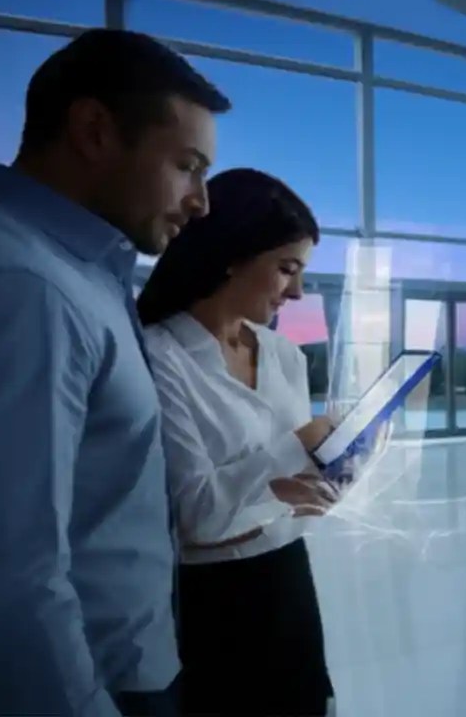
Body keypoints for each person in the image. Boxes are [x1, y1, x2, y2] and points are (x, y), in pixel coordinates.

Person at [0, 29, 230, 716]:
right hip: (92, 685)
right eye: (187, 166)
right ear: (94, 131)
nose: (201, 201)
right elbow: (9, 574)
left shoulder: (81, 271)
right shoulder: (26, 284)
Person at [137, 167, 339, 716]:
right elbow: (196, 517)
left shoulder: (284, 356)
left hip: (290, 575)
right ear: (233, 255)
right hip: (213, 601)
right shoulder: (160, 357)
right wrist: (296, 448)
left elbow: (288, 489)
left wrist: (325, 473)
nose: (297, 292)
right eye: (286, 269)